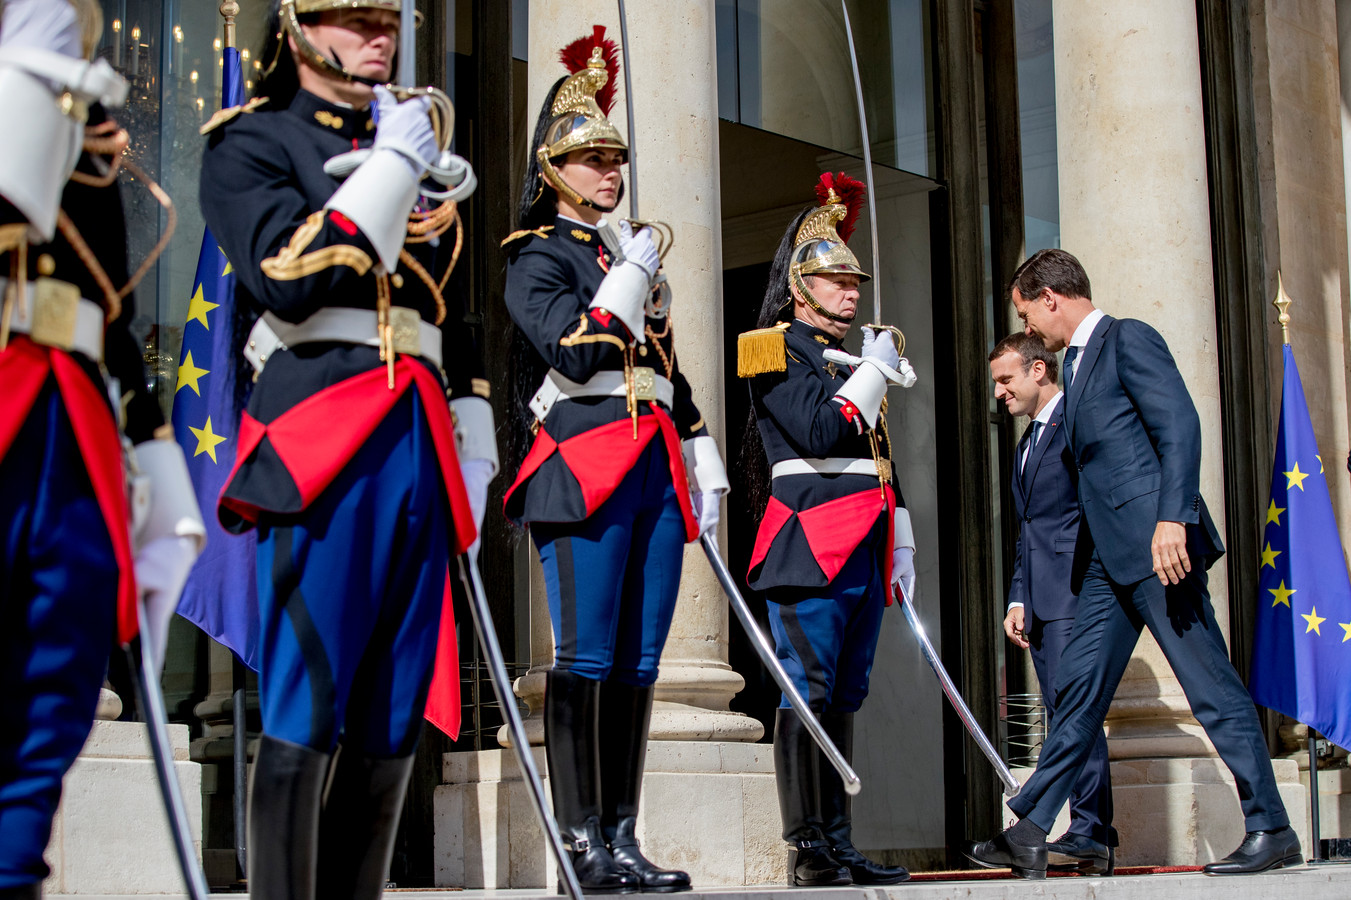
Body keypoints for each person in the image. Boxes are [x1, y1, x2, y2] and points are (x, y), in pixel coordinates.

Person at [198, 3, 493, 898]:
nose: (379, 36)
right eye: (351, 19)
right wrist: (392, 169)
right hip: (323, 432)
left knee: (393, 713)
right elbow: (293, 280)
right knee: (309, 696)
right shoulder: (253, 142)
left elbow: (442, 313)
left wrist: (472, 445)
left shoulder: (410, 150)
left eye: (384, 20)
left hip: (416, 435)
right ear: (294, 29)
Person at [968, 248, 1299, 878]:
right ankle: (1032, 827)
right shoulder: (1081, 365)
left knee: (1210, 690)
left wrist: (1173, 518)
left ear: (1050, 298)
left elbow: (1179, 423)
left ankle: (1272, 828)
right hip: (1106, 565)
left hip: (1157, 551)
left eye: (1027, 313)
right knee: (1078, 695)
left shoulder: (1127, 340)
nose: (1030, 329)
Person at [501, 26, 727, 894]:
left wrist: (701, 443)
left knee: (640, 662)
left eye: (613, 158)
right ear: (554, 168)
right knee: (587, 656)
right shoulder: (536, 254)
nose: (608, 172)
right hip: (583, 462)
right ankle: (577, 848)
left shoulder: (621, 253)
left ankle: (623, 840)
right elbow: (575, 354)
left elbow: (662, 365)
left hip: (653, 464)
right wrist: (626, 279)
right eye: (590, 159)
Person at [0, 2, 204, 896]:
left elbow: (108, 310)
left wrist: (155, 452)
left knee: (60, 669)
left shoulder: (78, 116)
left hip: (71, 404)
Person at [738, 173, 917, 887]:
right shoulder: (770, 346)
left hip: (863, 544)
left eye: (853, 280)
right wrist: (869, 375)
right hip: (809, 543)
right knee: (805, 691)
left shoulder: (850, 358)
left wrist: (900, 534)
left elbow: (877, 457)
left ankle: (838, 841)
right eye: (832, 279)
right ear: (797, 285)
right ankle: (806, 846)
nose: (849, 291)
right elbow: (814, 426)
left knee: (846, 694)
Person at [989, 332, 1116, 875]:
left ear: (1039, 370)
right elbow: (1027, 529)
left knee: (1075, 713)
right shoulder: (1025, 443)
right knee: (1063, 713)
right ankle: (1078, 830)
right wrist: (1018, 595)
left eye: (1006, 379)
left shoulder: (1075, 424)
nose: (1000, 392)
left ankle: (1090, 832)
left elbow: (1094, 510)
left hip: (1075, 590)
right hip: (1039, 600)